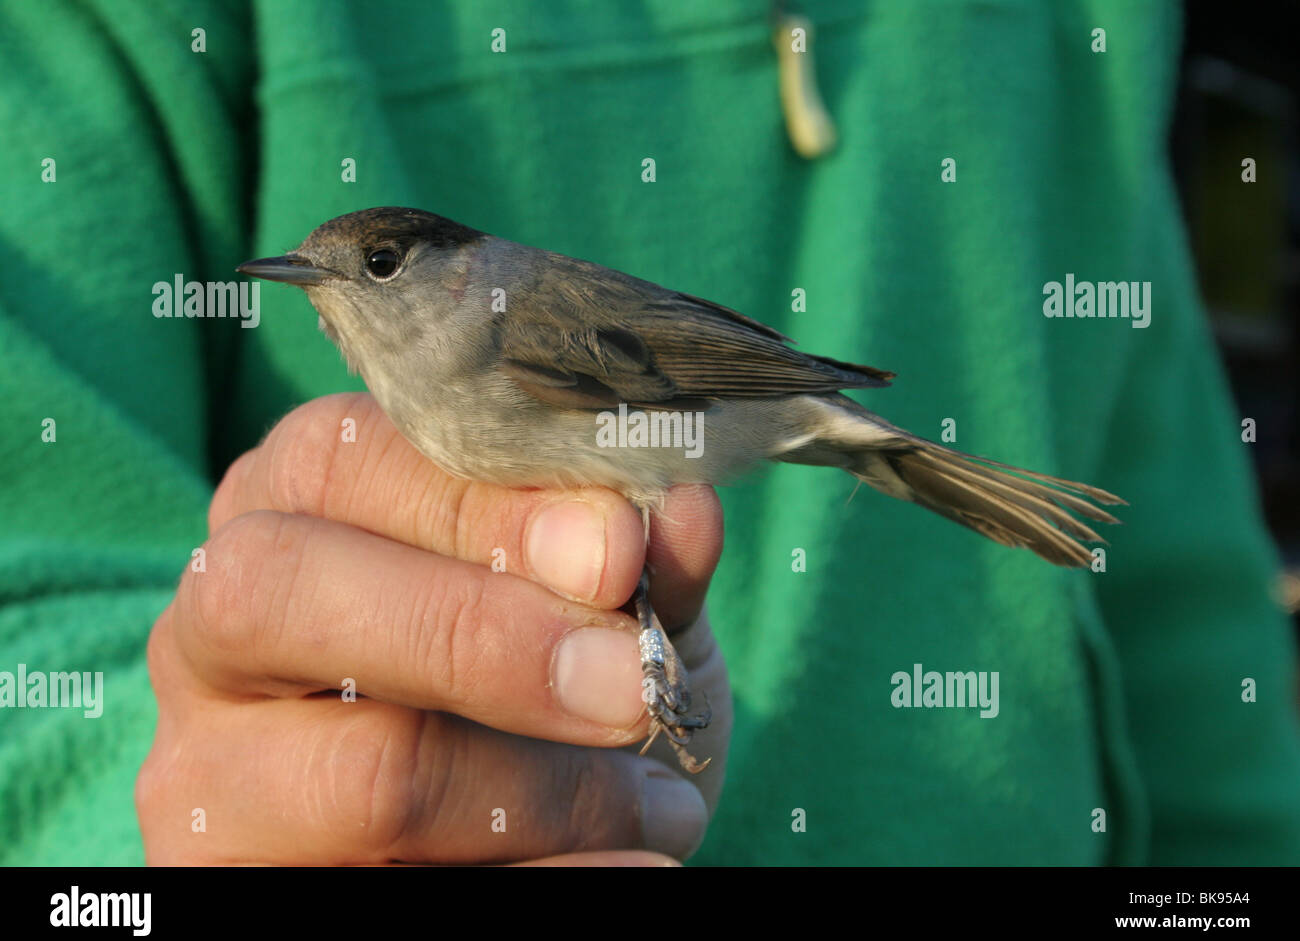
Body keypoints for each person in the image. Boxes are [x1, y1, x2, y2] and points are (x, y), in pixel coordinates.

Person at [2, 0, 1297, 865]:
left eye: (377, 263)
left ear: (450, 270)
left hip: (730, 393)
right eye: (323, 270)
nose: (331, 284)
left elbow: (1204, 680)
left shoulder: (509, 324)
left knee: (630, 541)